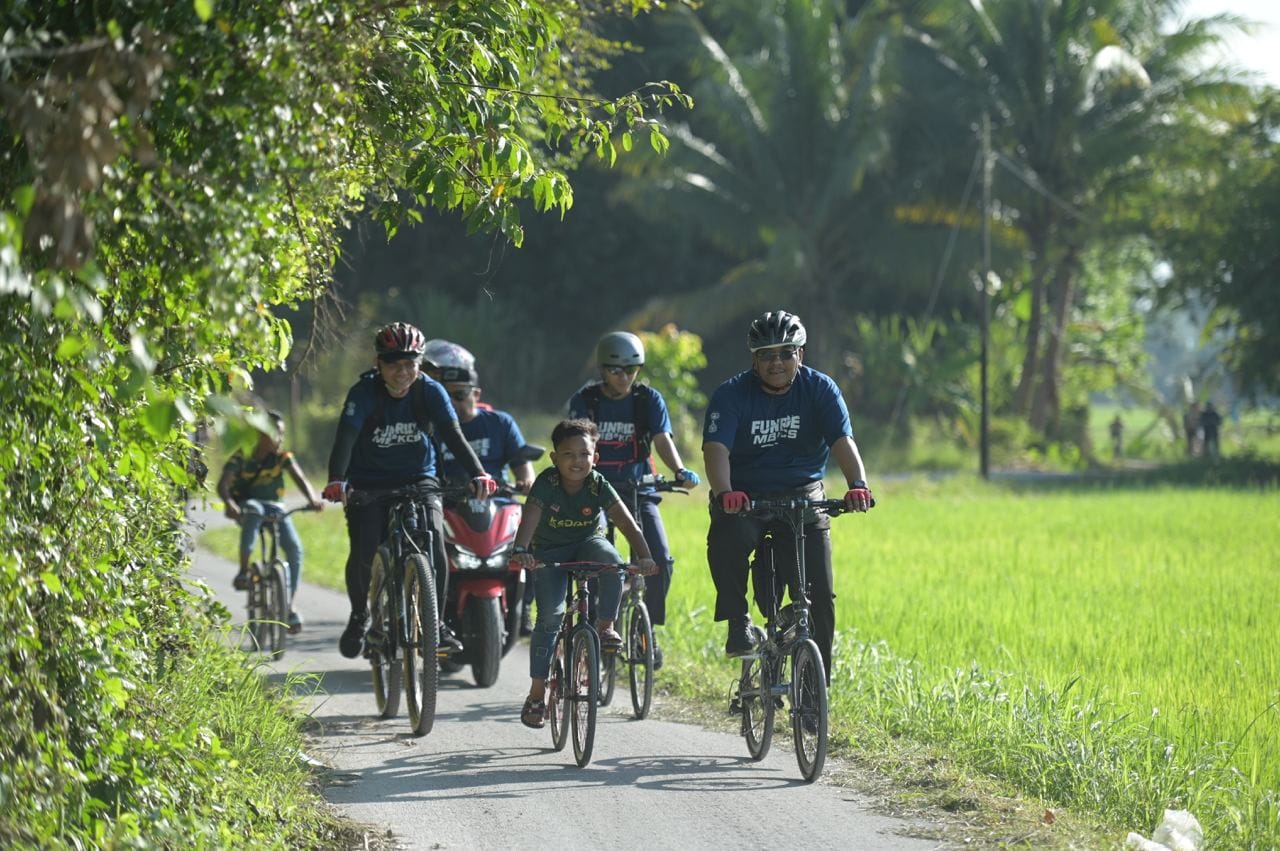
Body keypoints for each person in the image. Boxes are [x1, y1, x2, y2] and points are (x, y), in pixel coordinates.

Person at [702, 309, 873, 684]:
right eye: (766, 354)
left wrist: (857, 484)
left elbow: (842, 441)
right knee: (728, 538)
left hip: (803, 494)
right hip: (746, 497)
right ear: (754, 359)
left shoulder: (821, 389)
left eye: (784, 353)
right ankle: (738, 622)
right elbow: (716, 449)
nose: (775, 362)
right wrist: (725, 492)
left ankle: (815, 689)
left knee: (821, 597)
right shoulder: (731, 394)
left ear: (801, 354)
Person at [323, 322, 498, 659]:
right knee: (365, 547)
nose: (403, 373)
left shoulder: (431, 391)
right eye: (393, 365)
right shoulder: (363, 393)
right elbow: (344, 438)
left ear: (420, 363)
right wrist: (337, 479)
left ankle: (437, 622)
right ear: (378, 364)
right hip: (369, 482)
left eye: (410, 364)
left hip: (419, 478)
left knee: (435, 540)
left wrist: (479, 473)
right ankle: (360, 616)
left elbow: (453, 436)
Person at [508, 419, 657, 729]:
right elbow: (530, 517)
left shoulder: (598, 483)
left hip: (588, 543)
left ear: (595, 458)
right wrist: (521, 549)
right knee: (550, 617)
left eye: (584, 454)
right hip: (548, 552)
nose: (577, 461)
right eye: (568, 454)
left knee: (612, 562)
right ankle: (537, 693)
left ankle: (605, 626)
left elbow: (627, 522)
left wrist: (644, 555)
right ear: (554, 458)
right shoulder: (546, 483)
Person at [567, 331, 700, 669]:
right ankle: (594, 627)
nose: (624, 377)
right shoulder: (586, 401)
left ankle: (647, 631)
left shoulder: (647, 400)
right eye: (616, 370)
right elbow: (575, 443)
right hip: (594, 491)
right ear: (602, 369)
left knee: (660, 560)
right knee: (596, 563)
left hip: (638, 489)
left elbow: (662, 439)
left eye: (631, 370)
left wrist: (680, 469)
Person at [217, 410, 322, 633]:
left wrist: (312, 499)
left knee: (294, 549)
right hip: (249, 508)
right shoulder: (241, 457)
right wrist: (229, 503)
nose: (280, 439)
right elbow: (223, 485)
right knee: (254, 509)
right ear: (260, 434)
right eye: (276, 434)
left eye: (282, 434)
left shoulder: (283, 457)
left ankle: (288, 605)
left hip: (275, 509)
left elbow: (300, 478)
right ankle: (244, 571)